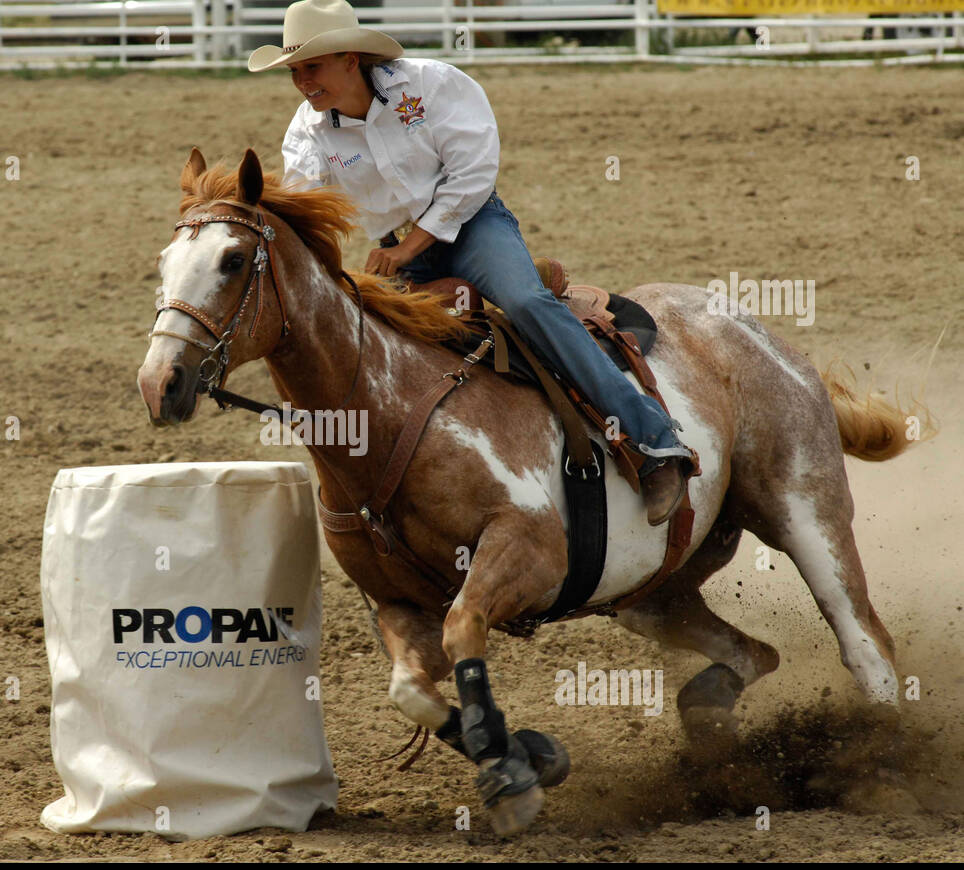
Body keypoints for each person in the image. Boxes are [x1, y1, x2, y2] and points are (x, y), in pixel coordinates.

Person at [247, 0, 694, 525]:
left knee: (527, 304)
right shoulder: (308, 132)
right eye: (295, 71)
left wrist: (409, 248)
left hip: (472, 225)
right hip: (394, 251)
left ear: (350, 58)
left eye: (311, 67)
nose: (302, 82)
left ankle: (655, 447)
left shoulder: (432, 86)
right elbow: (304, 210)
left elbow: (472, 172)